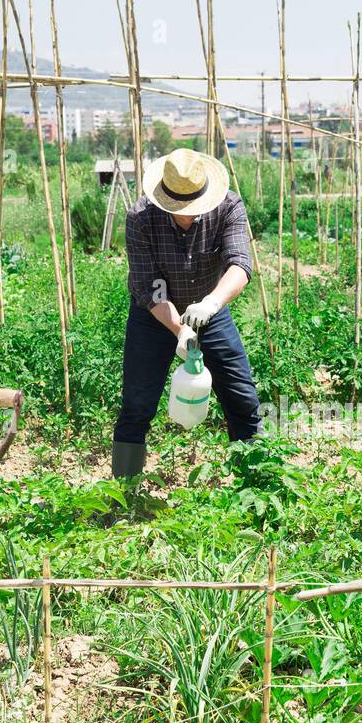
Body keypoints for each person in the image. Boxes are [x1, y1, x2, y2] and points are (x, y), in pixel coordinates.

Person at [112, 147, 260, 479]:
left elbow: (240, 264)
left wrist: (210, 304)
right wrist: (179, 329)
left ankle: (256, 483)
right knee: (136, 406)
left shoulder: (229, 207)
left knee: (242, 397)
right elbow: (147, 286)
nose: (188, 215)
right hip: (153, 317)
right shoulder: (141, 218)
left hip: (210, 309)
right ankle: (123, 494)